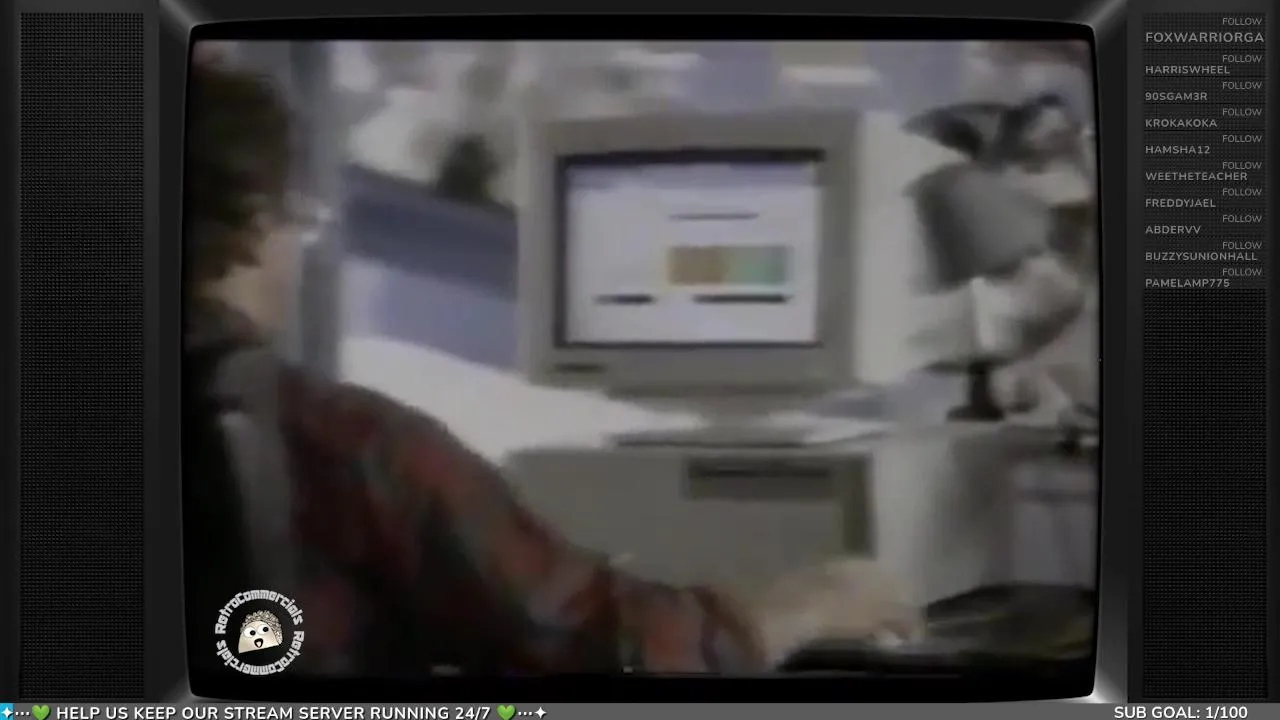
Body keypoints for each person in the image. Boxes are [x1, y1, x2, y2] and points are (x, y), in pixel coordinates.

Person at [183, 51, 922, 678]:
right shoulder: (348, 443)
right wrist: (810, 605)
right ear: (253, 224)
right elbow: (602, 645)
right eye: (298, 220)